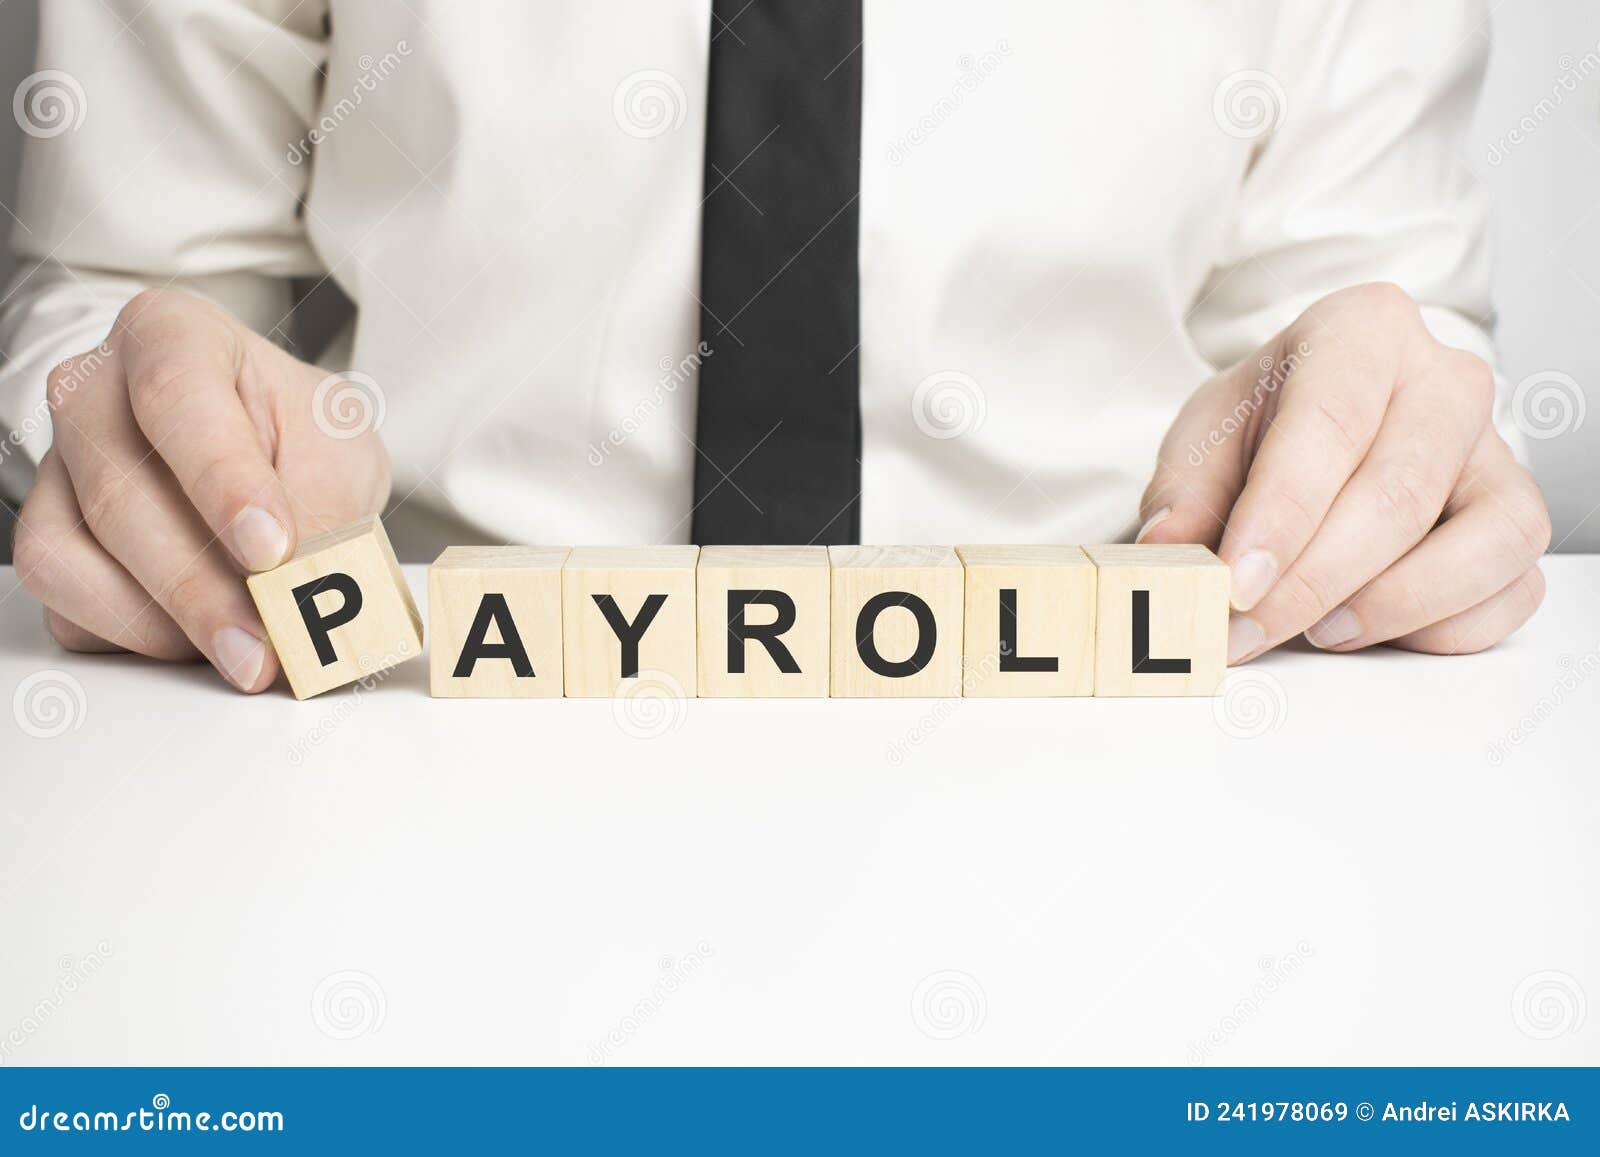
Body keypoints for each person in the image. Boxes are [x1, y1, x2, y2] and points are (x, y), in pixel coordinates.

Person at [0, 1, 1551, 693]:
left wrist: (1385, 442)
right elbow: (123, 288)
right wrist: (155, 424)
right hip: (409, 712)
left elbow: (1368, 324)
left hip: (1127, 725)